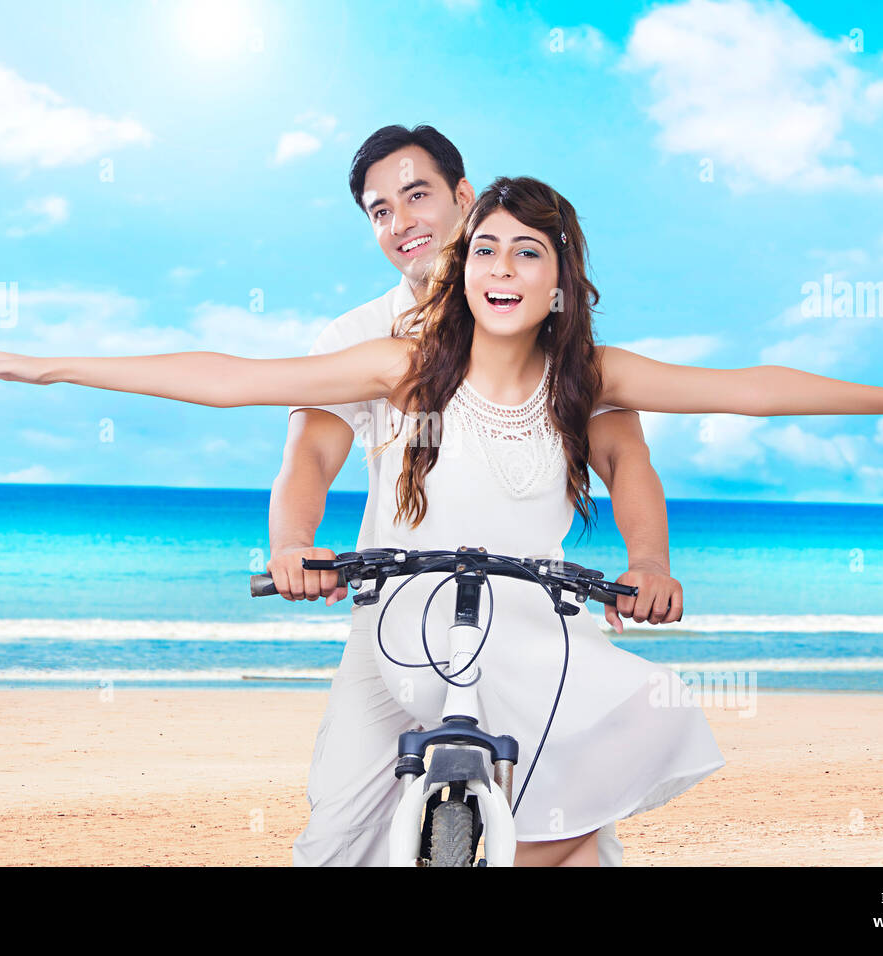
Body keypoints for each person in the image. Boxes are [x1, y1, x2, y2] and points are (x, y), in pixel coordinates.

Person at [0, 175, 883, 867]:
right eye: (489, 248)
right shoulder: (408, 364)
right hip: (412, 615)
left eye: (529, 253)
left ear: (559, 285)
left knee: (633, 716)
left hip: (537, 615)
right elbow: (236, 378)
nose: (503, 267)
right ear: (466, 271)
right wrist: (61, 365)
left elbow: (752, 387)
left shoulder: (589, 376)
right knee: (354, 821)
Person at [268, 124, 677, 868]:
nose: (400, 223)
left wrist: (647, 559)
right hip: (398, 608)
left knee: (579, 829)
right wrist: (295, 544)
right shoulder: (360, 336)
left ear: (465, 197)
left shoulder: (555, 338)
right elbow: (308, 454)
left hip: (531, 609)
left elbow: (627, 456)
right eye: (379, 210)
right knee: (339, 835)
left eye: (417, 195)